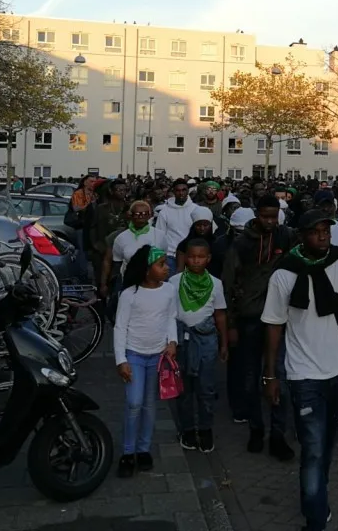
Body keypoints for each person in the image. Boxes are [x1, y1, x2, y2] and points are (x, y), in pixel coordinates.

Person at [260, 209, 338, 531]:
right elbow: (273, 326)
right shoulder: (285, 273)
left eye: (326, 229)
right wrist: (270, 375)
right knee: (312, 450)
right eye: (315, 230)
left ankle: (315, 495)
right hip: (304, 375)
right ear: (301, 235)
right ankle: (315, 521)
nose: (323, 234)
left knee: (328, 445)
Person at [221, 194, 296, 460]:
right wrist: (230, 324)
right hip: (249, 318)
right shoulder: (241, 244)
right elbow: (228, 284)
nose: (269, 221)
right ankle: (256, 429)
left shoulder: (286, 237)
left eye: (273, 216)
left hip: (278, 317)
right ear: (256, 215)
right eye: (265, 216)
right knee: (250, 377)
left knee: (279, 376)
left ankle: (278, 435)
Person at [113, 245, 178, 477]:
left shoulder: (169, 291)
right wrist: (121, 360)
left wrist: (172, 341)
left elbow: (171, 317)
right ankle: (127, 451)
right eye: (161, 264)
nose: (166, 267)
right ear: (146, 269)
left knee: (150, 404)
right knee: (134, 403)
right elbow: (120, 328)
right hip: (135, 354)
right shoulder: (130, 294)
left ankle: (143, 449)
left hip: (158, 356)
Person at [172, 239, 229, 453]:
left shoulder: (216, 284)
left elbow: (220, 315)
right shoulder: (174, 282)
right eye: (192, 256)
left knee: (206, 388)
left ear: (208, 259)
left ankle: (205, 429)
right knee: (184, 389)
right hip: (181, 341)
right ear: (186, 258)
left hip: (206, 341)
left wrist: (223, 344)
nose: (196, 261)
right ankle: (187, 429)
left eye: (201, 257)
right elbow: (168, 313)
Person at [101, 200, 156, 299]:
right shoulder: (117, 237)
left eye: (144, 214)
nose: (140, 217)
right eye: (136, 214)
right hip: (126, 281)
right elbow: (108, 261)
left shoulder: (157, 235)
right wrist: (104, 284)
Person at [156, 179, 203, 275]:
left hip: (193, 255)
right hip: (171, 256)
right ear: (173, 192)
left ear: (187, 191)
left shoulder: (196, 209)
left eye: (184, 190)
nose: (181, 193)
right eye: (178, 190)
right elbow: (159, 236)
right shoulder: (164, 212)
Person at [175, 207, 216, 274]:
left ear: (210, 225)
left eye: (205, 225)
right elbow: (180, 270)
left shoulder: (217, 243)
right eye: (198, 225)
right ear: (193, 225)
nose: (202, 228)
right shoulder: (184, 245)